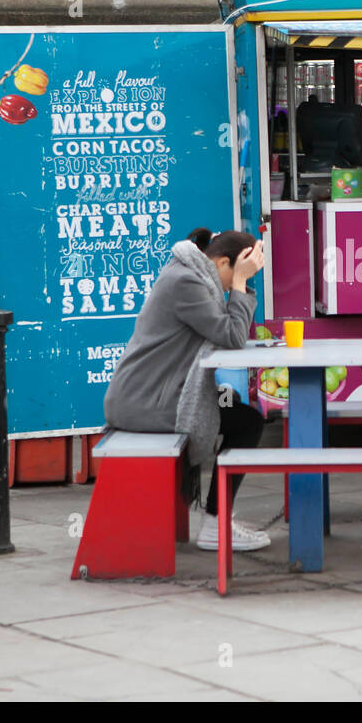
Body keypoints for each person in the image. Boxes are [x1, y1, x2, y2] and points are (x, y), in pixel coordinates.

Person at [102, 227, 269, 552]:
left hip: (155, 395)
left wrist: (238, 282)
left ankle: (217, 519)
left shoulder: (189, 275)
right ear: (222, 263)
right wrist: (239, 286)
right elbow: (233, 336)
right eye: (238, 273)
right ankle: (215, 524)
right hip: (144, 402)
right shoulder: (186, 283)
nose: (234, 285)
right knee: (248, 422)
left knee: (243, 415)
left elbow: (227, 332)